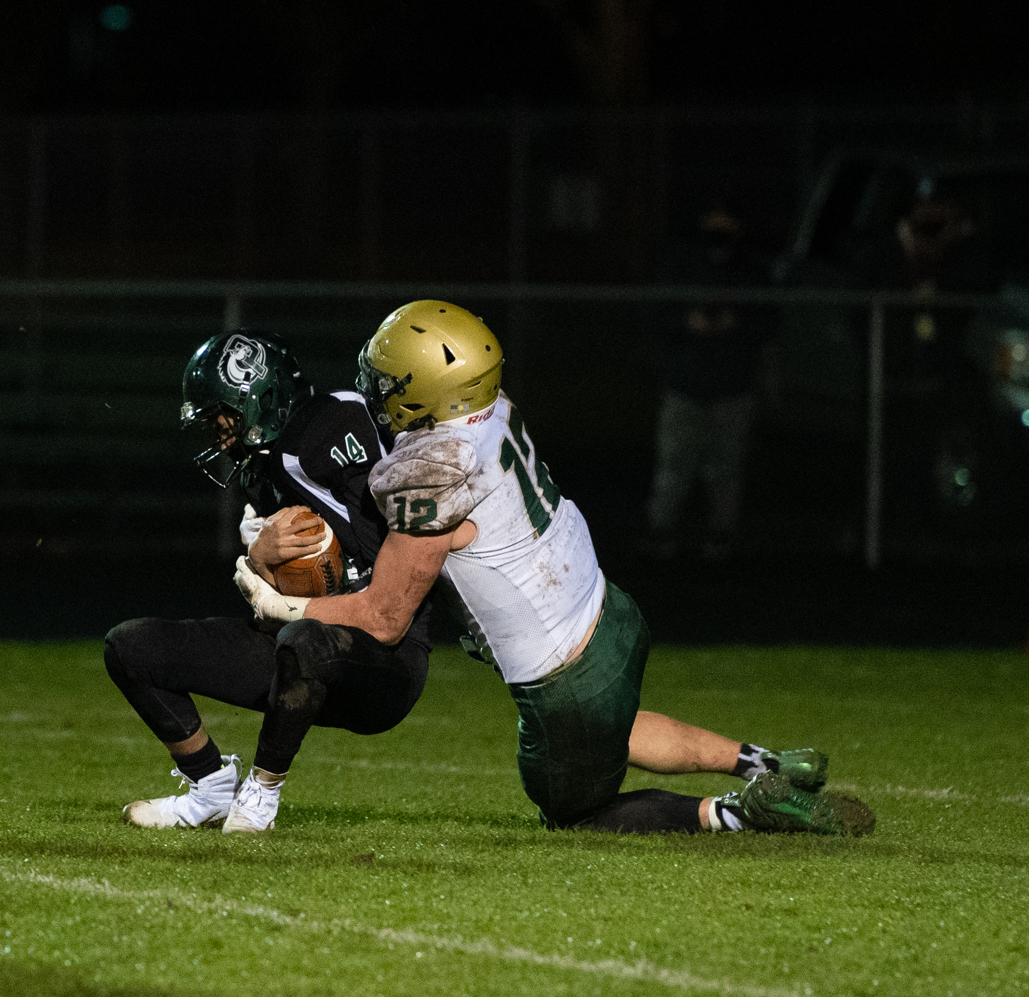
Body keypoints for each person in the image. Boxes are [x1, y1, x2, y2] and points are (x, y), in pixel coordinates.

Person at [234, 299, 875, 837]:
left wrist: (281, 607)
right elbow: (469, 528)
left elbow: (385, 616)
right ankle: (766, 761)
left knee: (574, 811)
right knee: (613, 730)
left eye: (390, 380)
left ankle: (740, 813)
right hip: (609, 615)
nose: (377, 391)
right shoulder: (496, 410)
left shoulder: (424, 469)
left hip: (562, 674)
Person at [105, 330, 433, 833]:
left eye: (223, 416)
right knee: (132, 647)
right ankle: (210, 789)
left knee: (303, 639)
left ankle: (260, 795)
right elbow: (274, 602)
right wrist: (260, 563)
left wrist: (326, 563)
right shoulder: (261, 472)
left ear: (255, 399)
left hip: (387, 659)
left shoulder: (337, 421)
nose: (217, 432)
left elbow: (406, 541)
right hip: (302, 644)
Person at [646, 205, 778, 560]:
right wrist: (689, 322)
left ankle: (719, 549)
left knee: (726, 473)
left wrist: (737, 324)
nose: (720, 226)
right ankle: (660, 545)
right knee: (673, 470)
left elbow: (768, 321)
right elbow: (657, 315)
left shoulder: (751, 271)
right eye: (713, 218)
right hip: (686, 386)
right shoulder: (680, 266)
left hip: (732, 388)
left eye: (728, 219)